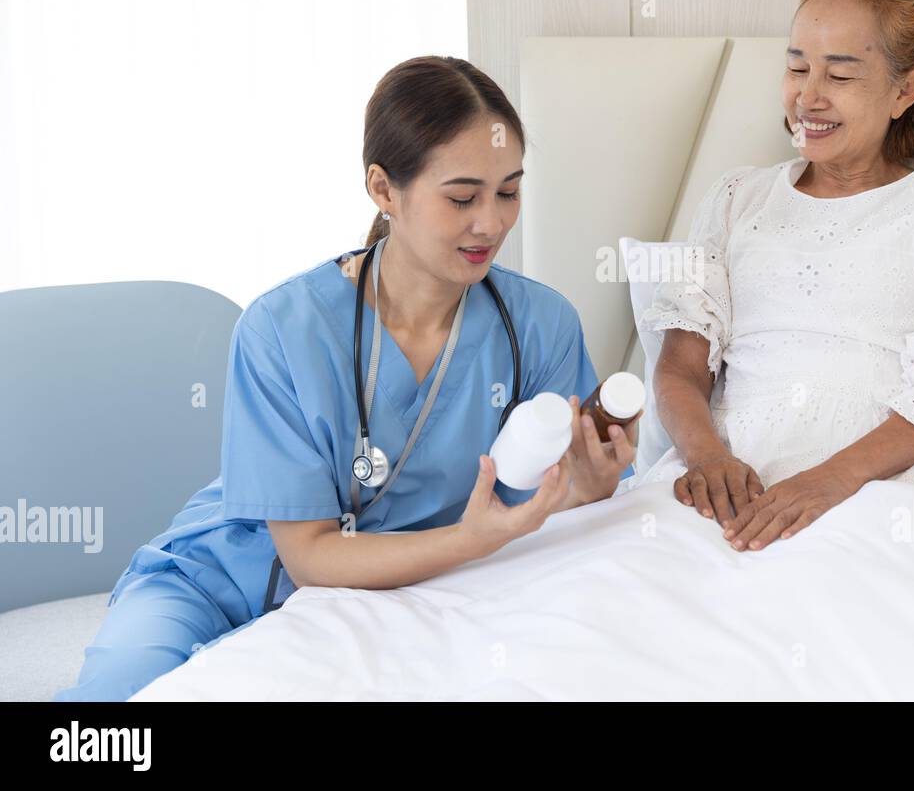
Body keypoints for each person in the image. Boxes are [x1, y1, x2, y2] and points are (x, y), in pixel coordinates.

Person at [56, 56, 637, 701]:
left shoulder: (540, 325)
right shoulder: (283, 327)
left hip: (400, 598)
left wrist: (587, 486)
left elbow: (543, 504)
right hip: (221, 577)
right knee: (111, 713)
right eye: (462, 197)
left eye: (509, 191)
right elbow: (310, 556)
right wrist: (467, 541)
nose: (493, 223)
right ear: (385, 190)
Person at [636, 0, 914, 552]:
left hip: (889, 498)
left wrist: (825, 485)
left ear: (905, 90)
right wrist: (708, 459)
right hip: (727, 491)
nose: (808, 96)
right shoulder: (736, 199)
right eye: (797, 67)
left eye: (839, 75)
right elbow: (681, 367)